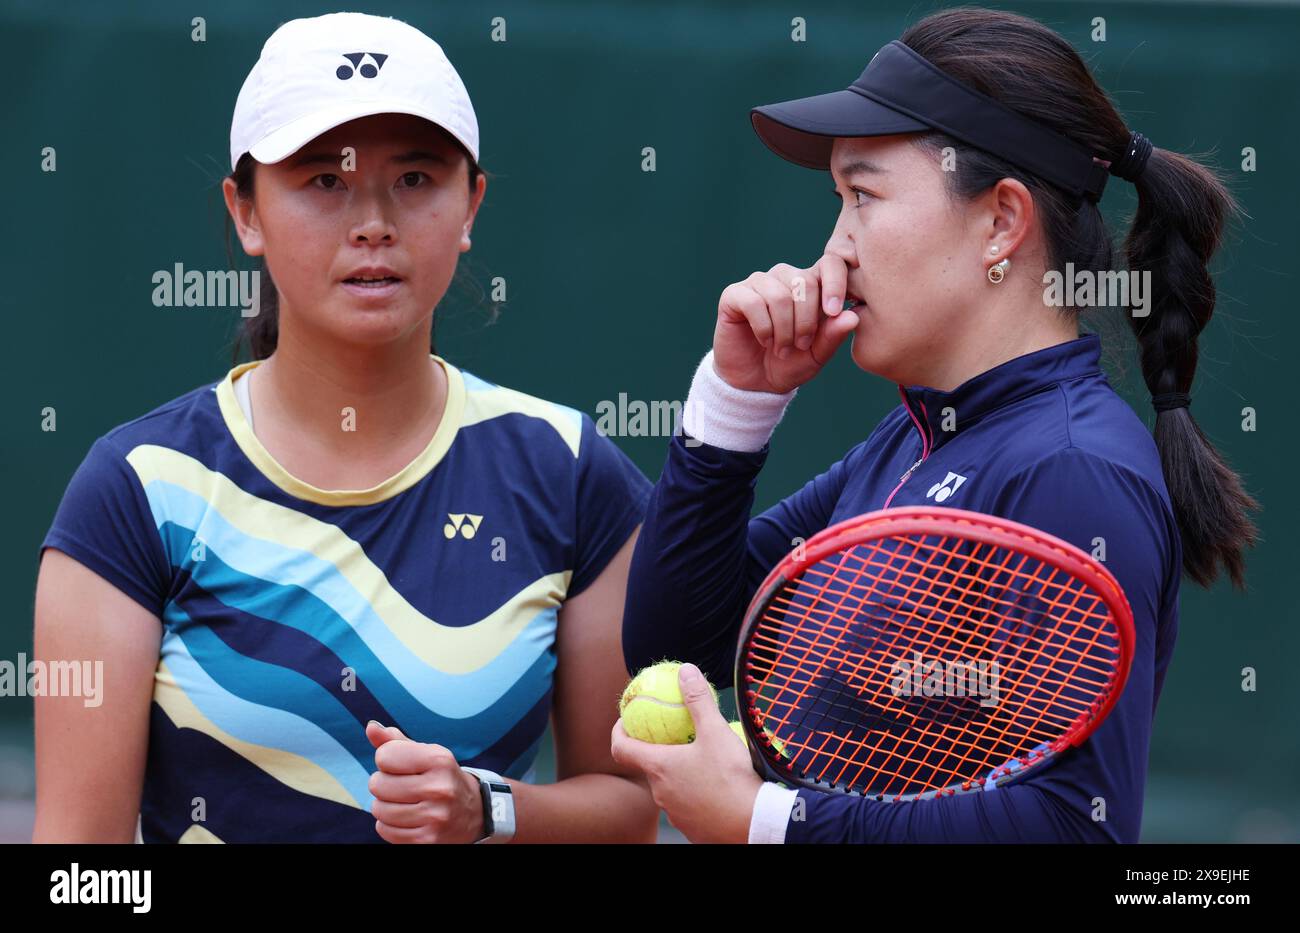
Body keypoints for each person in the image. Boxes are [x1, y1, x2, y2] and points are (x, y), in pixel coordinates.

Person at [613, 6, 1258, 843]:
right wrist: (736, 405)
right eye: (837, 200)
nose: (834, 250)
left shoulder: (1073, 471)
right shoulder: (916, 437)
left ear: (1002, 221)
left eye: (863, 196)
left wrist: (769, 820)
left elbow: (1076, 828)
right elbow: (679, 642)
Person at [33, 12, 657, 843]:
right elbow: (78, 867)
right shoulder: (136, 489)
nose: (372, 220)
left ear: (471, 205)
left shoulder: (573, 472)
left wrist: (487, 810)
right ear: (245, 212)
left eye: (415, 179)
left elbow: (626, 813)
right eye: (325, 180)